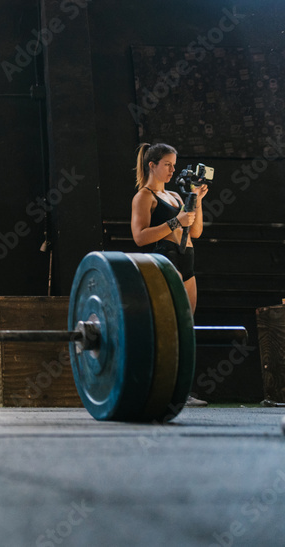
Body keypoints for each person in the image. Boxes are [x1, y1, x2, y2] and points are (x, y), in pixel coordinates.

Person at [131, 142, 209, 407]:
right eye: (167, 164)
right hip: (165, 256)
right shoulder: (145, 196)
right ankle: (157, 387)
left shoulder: (176, 196)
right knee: (168, 326)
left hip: (187, 257)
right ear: (152, 165)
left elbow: (195, 231)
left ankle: (181, 390)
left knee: (184, 327)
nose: (172, 170)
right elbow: (139, 237)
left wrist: (197, 200)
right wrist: (175, 222)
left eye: (174, 165)